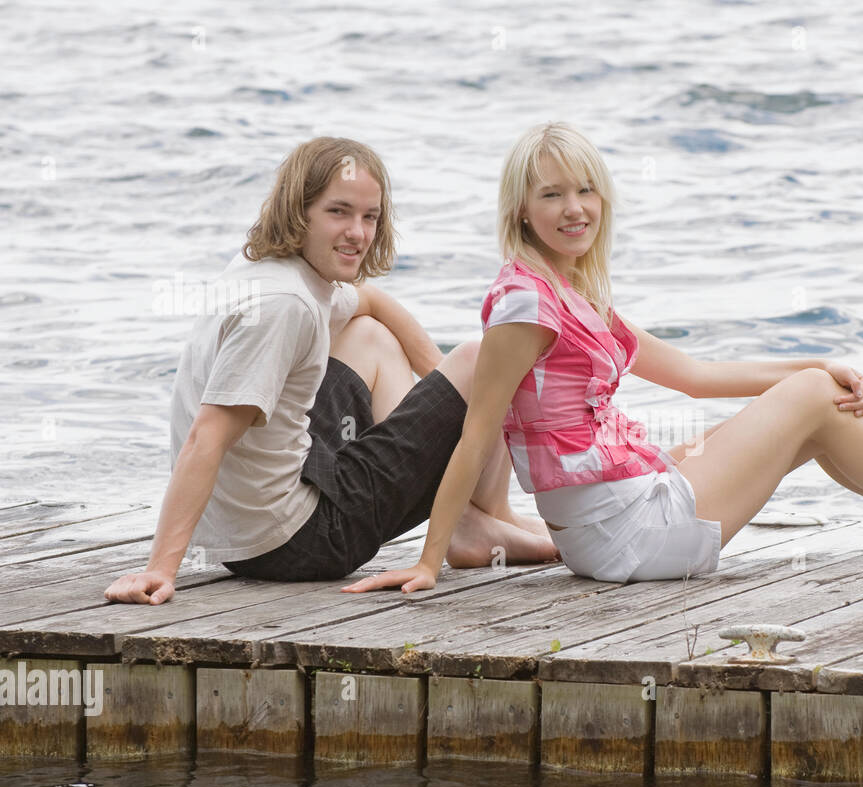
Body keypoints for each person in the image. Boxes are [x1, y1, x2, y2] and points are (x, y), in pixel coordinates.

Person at [342, 123, 863, 595]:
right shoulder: (526, 304)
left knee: (817, 406)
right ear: (521, 212)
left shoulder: (573, 294)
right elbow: (477, 432)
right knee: (807, 400)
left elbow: (695, 376)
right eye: (552, 195)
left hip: (628, 506)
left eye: (587, 191)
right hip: (620, 535)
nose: (575, 208)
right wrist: (430, 560)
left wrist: (819, 361)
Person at [105, 137, 555, 605]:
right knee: (485, 357)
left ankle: (472, 519)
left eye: (370, 216)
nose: (358, 233)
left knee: (369, 335)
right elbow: (208, 436)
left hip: (249, 527)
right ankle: (481, 518)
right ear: (298, 212)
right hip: (303, 539)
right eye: (338, 212)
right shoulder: (285, 305)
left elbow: (373, 301)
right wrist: (160, 568)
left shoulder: (270, 269)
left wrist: (440, 412)